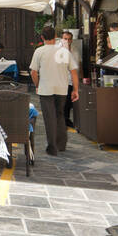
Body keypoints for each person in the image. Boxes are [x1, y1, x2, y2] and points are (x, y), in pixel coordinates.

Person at [28, 24, 79, 156]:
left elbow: (33, 72)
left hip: (46, 89)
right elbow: (73, 72)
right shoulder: (64, 51)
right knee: (60, 115)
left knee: (49, 117)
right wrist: (75, 90)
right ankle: (61, 144)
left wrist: (37, 85)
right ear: (56, 36)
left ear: (42, 37)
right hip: (62, 89)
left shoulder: (39, 51)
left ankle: (52, 146)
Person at [61, 30, 77, 128]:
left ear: (71, 40)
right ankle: (62, 121)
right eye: (65, 39)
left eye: (69, 39)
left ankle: (66, 119)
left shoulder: (75, 51)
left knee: (68, 102)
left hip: (71, 80)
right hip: (61, 79)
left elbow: (78, 65)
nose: (67, 41)